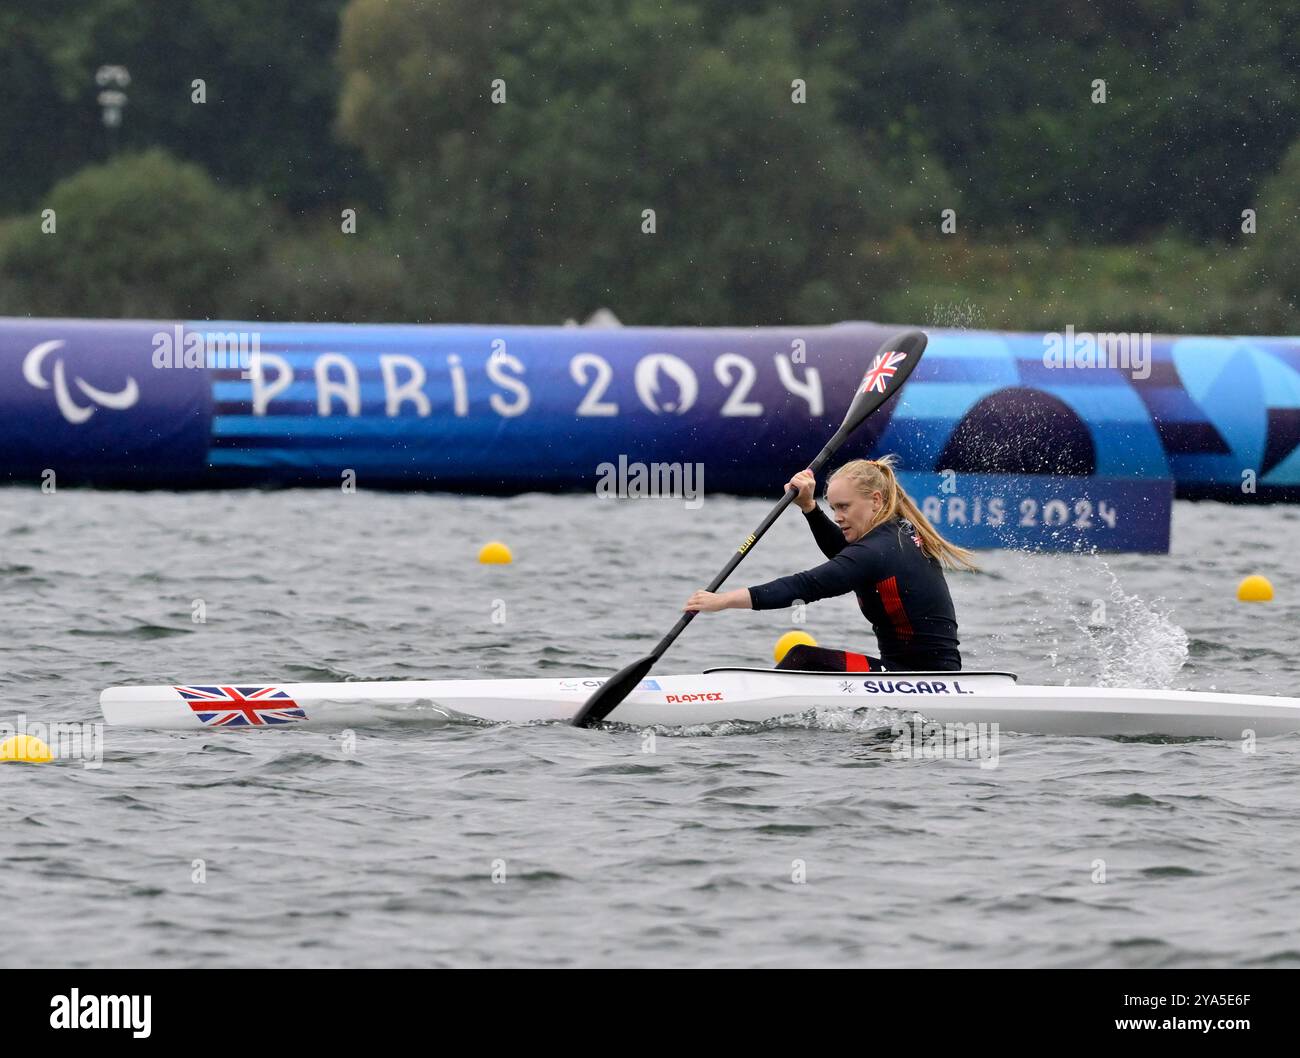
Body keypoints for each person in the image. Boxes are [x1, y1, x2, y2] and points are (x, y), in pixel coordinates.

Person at [683, 455, 976, 672]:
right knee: (804, 657)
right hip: (922, 674)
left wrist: (722, 601)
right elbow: (844, 555)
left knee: (803, 658)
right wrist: (809, 507)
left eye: (844, 507)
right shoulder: (896, 532)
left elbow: (806, 585)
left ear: (875, 500)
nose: (837, 516)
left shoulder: (877, 550)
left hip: (915, 681)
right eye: (834, 507)